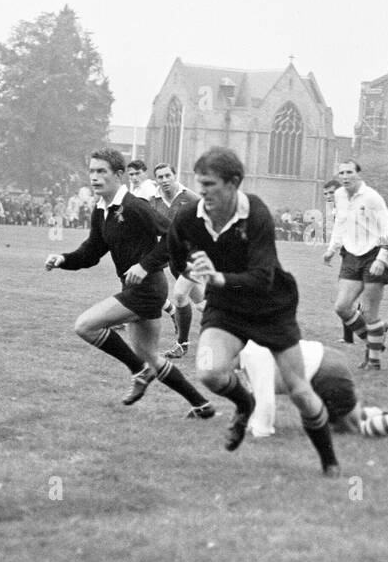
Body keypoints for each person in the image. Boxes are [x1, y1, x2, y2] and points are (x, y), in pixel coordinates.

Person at [165, 146, 340, 476]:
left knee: (300, 391)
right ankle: (245, 404)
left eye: (210, 184)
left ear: (233, 184)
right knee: (209, 372)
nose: (202, 191)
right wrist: (193, 269)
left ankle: (329, 461)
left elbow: (262, 277)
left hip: (272, 306)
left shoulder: (256, 212)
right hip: (227, 307)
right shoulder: (189, 218)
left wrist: (217, 276)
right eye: (199, 183)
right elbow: (176, 260)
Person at [44, 148, 214, 419]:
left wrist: (145, 265)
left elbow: (174, 236)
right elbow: (90, 253)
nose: (95, 177)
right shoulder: (101, 212)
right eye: (92, 171)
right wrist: (62, 259)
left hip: (148, 289)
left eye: (102, 172)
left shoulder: (135, 206)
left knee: (85, 326)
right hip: (133, 288)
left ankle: (138, 371)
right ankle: (200, 404)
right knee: (151, 356)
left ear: (119, 175)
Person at [239, 340, 388, 441]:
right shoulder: (250, 348)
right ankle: (385, 416)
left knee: (355, 429)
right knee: (345, 423)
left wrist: (260, 432)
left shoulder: (251, 356)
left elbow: (265, 400)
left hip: (325, 373)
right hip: (327, 361)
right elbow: (254, 398)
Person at [324, 159, 388, 370]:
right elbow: (340, 223)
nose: (345, 176)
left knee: (370, 314)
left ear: (358, 174)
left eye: (349, 172)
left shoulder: (372, 197)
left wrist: (382, 259)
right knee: (342, 307)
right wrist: (331, 248)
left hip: (374, 254)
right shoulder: (338, 195)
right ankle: (375, 338)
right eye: (341, 173)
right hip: (351, 255)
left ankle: (374, 362)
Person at [150, 161, 203, 358]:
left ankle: (182, 344)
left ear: (175, 176)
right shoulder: (153, 202)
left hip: (195, 257)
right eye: (160, 177)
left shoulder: (191, 198)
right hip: (174, 260)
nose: (164, 180)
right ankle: (237, 336)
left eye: (167, 176)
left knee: (180, 295)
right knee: (202, 304)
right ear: (156, 180)